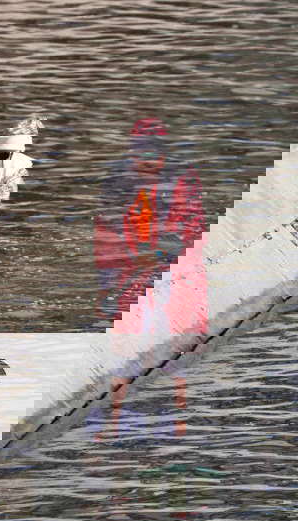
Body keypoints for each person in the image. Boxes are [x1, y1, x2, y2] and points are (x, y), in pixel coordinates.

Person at [93, 117, 208, 440]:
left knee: (171, 344)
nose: (146, 159)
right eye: (141, 152)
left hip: (164, 273)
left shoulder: (175, 182)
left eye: (151, 152)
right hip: (139, 272)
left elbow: (190, 231)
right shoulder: (123, 183)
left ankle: (172, 420)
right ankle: (125, 420)